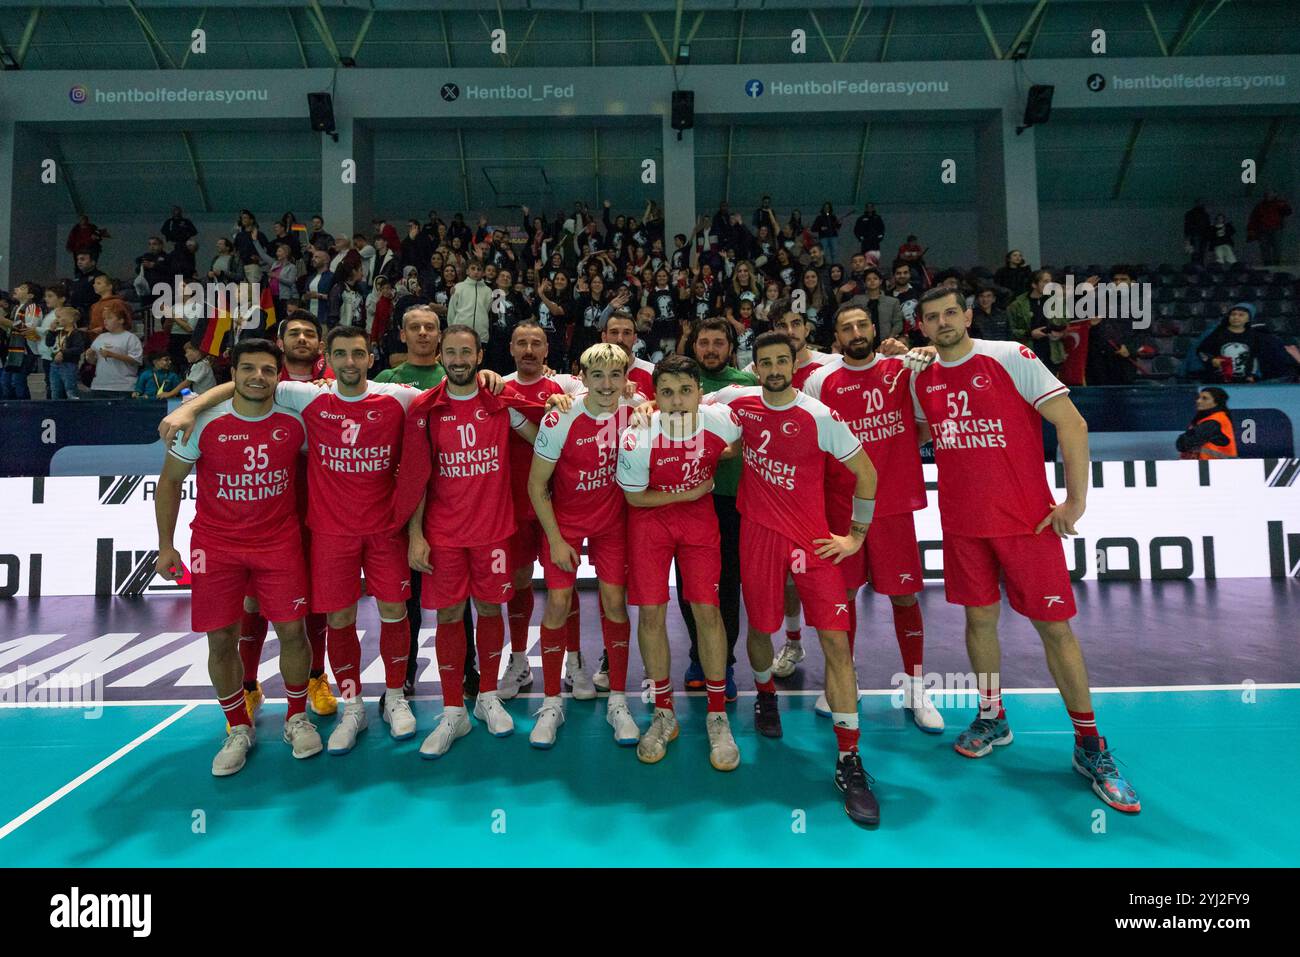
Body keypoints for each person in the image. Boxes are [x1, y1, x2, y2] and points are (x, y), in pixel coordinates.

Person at [911, 285, 1140, 813]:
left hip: (1026, 523)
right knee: (978, 622)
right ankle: (992, 716)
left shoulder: (1012, 356)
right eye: (932, 317)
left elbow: (1072, 423)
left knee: (1055, 630)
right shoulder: (923, 376)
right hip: (964, 525)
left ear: (967, 316)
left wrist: (1075, 501)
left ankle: (1090, 746)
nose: (943, 322)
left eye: (951, 313)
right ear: (921, 326)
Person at [159, 326, 436, 756]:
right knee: (335, 620)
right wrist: (190, 406)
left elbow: (451, 393)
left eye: (358, 354)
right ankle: (349, 706)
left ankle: (392, 698)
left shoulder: (392, 396)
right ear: (330, 356)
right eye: (341, 354)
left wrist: (500, 382)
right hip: (321, 533)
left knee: (393, 611)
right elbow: (247, 382)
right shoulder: (306, 400)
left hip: (379, 531)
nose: (349, 362)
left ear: (369, 357)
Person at [703, 331, 881, 826]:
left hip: (813, 541)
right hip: (758, 536)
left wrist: (854, 537)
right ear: (754, 366)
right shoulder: (737, 401)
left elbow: (866, 474)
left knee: (836, 644)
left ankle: (849, 758)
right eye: (766, 362)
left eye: (783, 360)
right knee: (759, 631)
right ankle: (765, 698)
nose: (775, 368)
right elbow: (688, 402)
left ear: (793, 363)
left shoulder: (819, 416)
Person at [154, 338, 321, 776]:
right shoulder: (204, 422)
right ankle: (237, 727)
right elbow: (169, 482)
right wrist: (166, 545)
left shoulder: (295, 420)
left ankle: (296, 718)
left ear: (278, 375)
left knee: (292, 631)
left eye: (268, 369)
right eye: (248, 368)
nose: (258, 377)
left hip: (279, 542)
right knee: (221, 639)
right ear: (234, 375)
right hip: (216, 545)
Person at [787, 300, 943, 732]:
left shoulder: (902, 370)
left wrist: (926, 352)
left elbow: (924, 425)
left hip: (892, 505)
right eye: (846, 328)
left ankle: (915, 686)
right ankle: (845, 676)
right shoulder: (821, 380)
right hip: (840, 507)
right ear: (836, 339)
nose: (855, 333)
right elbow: (810, 441)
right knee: (846, 594)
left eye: (861, 325)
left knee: (905, 596)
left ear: (873, 329)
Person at [396, 325, 544, 757]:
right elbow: (417, 477)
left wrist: (549, 405)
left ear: (480, 355)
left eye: (467, 351)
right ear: (442, 356)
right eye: (451, 352)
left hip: (493, 532)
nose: (459, 359)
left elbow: (541, 438)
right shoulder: (424, 408)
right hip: (443, 535)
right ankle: (451, 712)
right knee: (448, 617)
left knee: (489, 609)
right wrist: (416, 534)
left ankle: (488, 696)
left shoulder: (499, 400)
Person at [618, 354, 743, 769]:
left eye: (685, 391)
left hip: (699, 525)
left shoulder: (721, 419)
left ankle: (717, 714)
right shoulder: (638, 434)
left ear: (699, 393)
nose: (676, 401)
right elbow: (635, 497)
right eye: (666, 392)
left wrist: (724, 455)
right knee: (651, 614)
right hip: (651, 521)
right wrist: (686, 495)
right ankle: (664, 713)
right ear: (655, 397)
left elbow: (748, 425)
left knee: (708, 611)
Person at [526, 343, 641, 749]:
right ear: (583, 378)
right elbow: (536, 485)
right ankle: (552, 702)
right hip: (566, 523)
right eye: (598, 376)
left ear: (627, 376)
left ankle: (619, 702)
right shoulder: (562, 416)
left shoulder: (637, 408)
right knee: (558, 603)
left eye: (616, 375)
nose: (607, 384)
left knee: (614, 602)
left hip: (612, 523)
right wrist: (556, 539)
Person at [497, 321, 586, 700]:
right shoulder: (498, 387)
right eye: (522, 343)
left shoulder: (564, 388)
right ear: (512, 349)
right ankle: (518, 661)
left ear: (547, 350)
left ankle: (574, 660)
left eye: (536, 343)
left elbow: (599, 392)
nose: (529, 349)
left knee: (562, 586)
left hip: (558, 506)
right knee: (517, 584)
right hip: (513, 507)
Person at [673, 319, 756, 696]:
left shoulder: (751, 385)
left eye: (718, 343)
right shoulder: (679, 382)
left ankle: (724, 662)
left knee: (727, 586)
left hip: (732, 501)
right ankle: (697, 654)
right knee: (690, 586)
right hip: (686, 498)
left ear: (731, 347)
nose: (710, 349)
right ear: (693, 346)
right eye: (703, 342)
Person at [85, 309, 142, 399]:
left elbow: (136, 360)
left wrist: (112, 355)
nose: (105, 321)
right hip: (99, 385)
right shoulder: (101, 337)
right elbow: (94, 362)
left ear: (121, 320)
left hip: (123, 387)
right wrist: (90, 356)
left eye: (109, 318)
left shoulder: (130, 338)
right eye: (104, 319)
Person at [1197, 303, 1261, 383]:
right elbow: (1201, 351)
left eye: (1241, 315)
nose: (1236, 317)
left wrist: (1253, 375)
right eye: (1233, 314)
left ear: (1248, 319)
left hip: (1245, 381)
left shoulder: (1253, 336)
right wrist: (1211, 360)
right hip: (1218, 380)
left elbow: (1256, 357)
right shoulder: (1217, 333)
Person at [1176, 388, 1237, 459]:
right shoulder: (1205, 419)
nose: (1198, 401)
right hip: (1208, 465)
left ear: (1216, 402)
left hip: (1215, 466)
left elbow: (1183, 444)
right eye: (1199, 398)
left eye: (1204, 398)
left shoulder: (1214, 421)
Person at [45, 306, 88, 399]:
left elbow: (79, 348)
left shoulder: (75, 333)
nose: (57, 320)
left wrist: (63, 353)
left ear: (70, 319)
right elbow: (48, 343)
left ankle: (73, 410)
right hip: (55, 364)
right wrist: (51, 331)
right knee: (55, 389)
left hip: (69, 365)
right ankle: (56, 410)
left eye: (59, 317)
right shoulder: (58, 332)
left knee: (70, 390)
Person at [1247, 190, 1291, 267]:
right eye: (1267, 194)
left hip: (1276, 229)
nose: (1268, 195)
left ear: (1274, 195)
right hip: (1263, 230)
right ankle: (1268, 265)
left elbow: (1288, 212)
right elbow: (1253, 218)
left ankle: (1276, 264)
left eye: (1270, 194)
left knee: (1277, 248)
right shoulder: (1260, 206)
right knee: (1265, 248)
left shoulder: (1278, 204)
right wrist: (1251, 230)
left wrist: (1284, 205)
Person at [1183, 200, 1212, 266]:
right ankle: (1197, 266)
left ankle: (1197, 266)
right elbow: (1187, 226)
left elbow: (1187, 226)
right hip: (1198, 235)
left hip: (1200, 235)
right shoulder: (1203, 214)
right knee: (1198, 252)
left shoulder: (1204, 214)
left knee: (1199, 252)